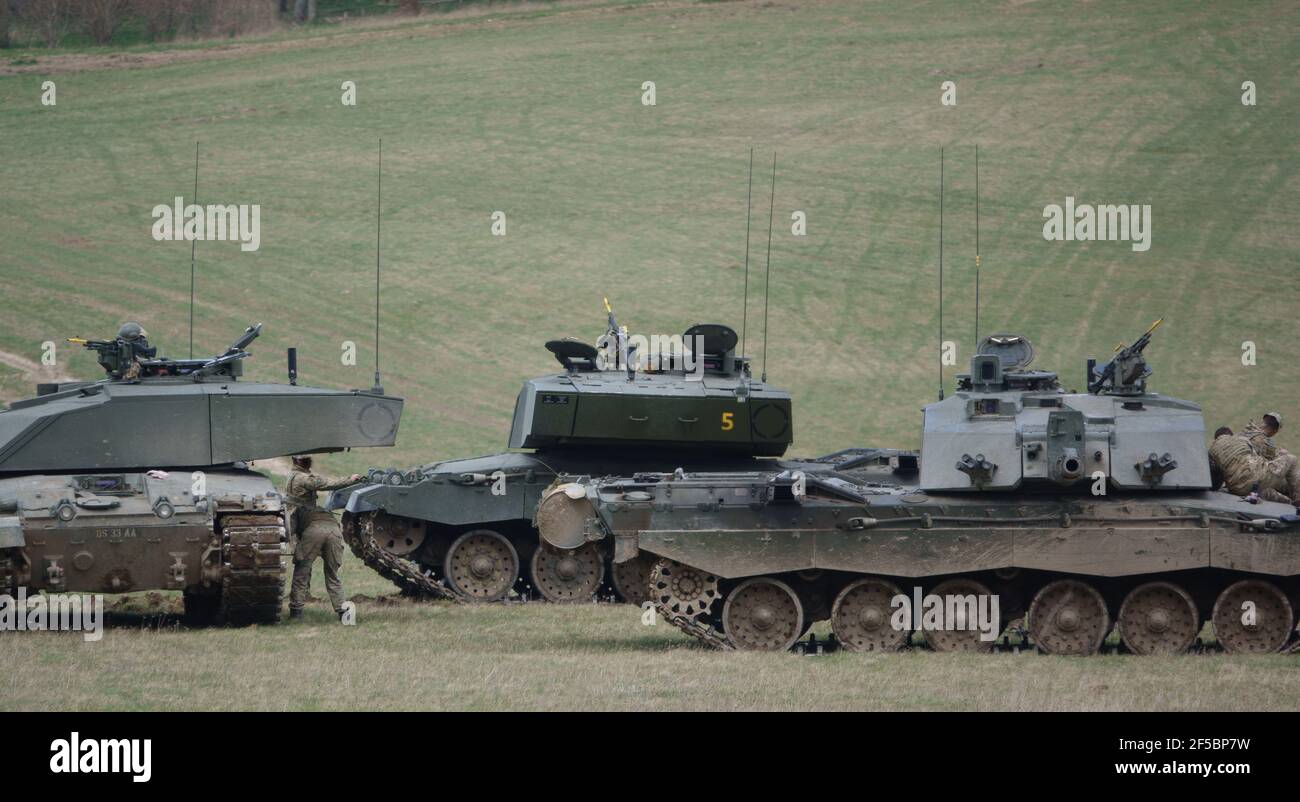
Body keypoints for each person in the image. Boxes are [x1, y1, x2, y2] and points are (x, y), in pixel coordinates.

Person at [285, 455, 362, 620]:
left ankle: (296, 612)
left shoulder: (294, 478)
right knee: (333, 574)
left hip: (313, 531)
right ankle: (344, 614)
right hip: (333, 529)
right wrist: (351, 480)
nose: (308, 461)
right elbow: (326, 484)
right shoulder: (303, 478)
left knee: (301, 571)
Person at [1208, 427, 1292, 503]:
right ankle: (1294, 500)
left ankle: (1288, 500)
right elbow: (1256, 459)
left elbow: (1216, 474)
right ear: (1231, 435)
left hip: (1236, 488)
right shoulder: (1240, 440)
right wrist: (1281, 456)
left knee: (1265, 491)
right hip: (1255, 478)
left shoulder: (1213, 449)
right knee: (1291, 460)